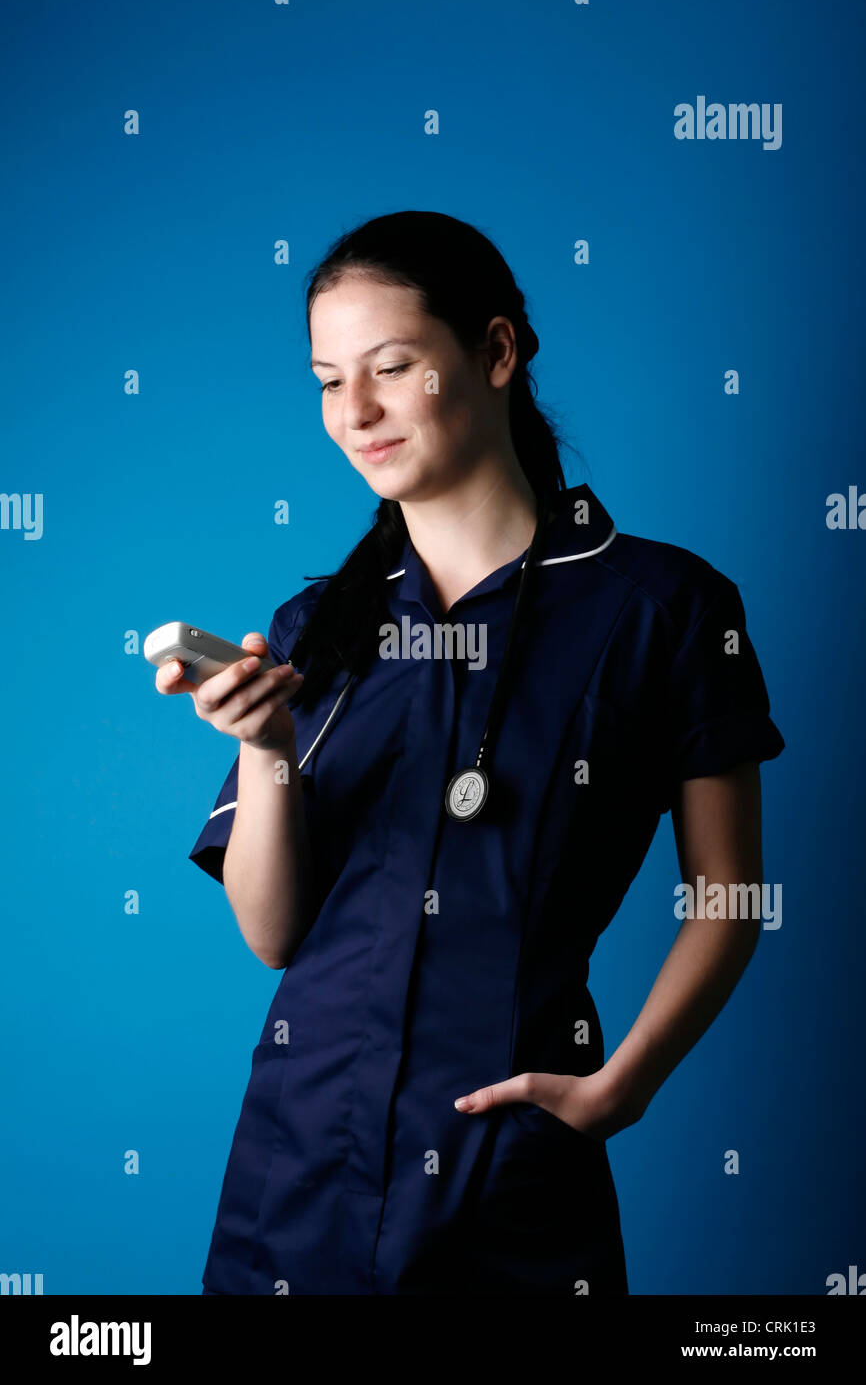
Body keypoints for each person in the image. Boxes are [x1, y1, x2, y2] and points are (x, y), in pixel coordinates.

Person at [156, 209, 784, 1296]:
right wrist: (267, 746)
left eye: (392, 366)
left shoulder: (663, 609)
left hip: (509, 1171)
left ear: (495, 352)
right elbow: (272, 935)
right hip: (297, 1160)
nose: (354, 412)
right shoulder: (317, 631)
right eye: (325, 379)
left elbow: (729, 897)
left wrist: (618, 1089)